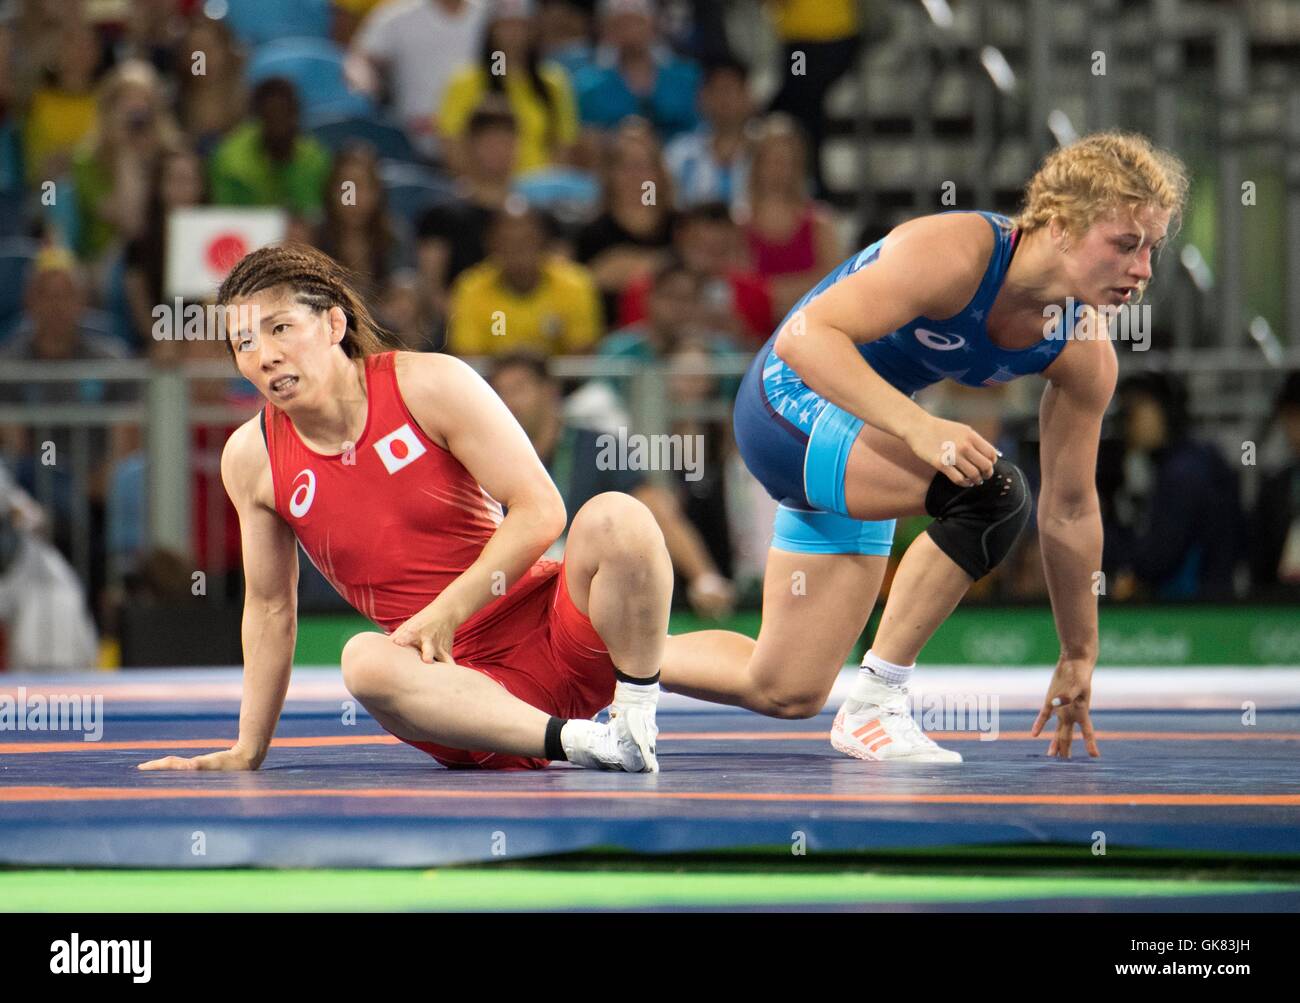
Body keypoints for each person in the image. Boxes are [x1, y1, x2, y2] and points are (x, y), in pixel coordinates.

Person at [658, 131, 1189, 761]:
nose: (1144, 270)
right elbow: (804, 337)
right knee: (990, 494)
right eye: (1126, 245)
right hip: (786, 404)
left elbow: (1071, 509)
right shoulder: (956, 251)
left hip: (860, 435)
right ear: (1061, 226)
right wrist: (918, 428)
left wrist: (1079, 653)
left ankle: (581, 644)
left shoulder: (1084, 351)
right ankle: (878, 703)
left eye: (1152, 248)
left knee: (784, 687)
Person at [139, 243, 666, 774]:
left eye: (280, 329)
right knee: (364, 661)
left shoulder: (428, 382)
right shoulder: (252, 457)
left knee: (618, 517)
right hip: (455, 687)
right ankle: (586, 742)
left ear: (333, 325)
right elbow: (271, 608)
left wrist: (446, 611)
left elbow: (541, 511)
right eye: (244, 343)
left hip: (556, 628)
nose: (265, 355)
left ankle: (635, 720)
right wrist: (247, 750)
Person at [489, 350, 735, 618]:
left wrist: (704, 578)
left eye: (519, 388)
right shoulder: (490, 457)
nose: (508, 401)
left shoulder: (599, 447)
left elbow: (655, 509)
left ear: (550, 391)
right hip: (518, 597)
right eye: (500, 392)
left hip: (592, 598)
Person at [1102, 371, 1242, 600]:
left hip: (1193, 609)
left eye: (1134, 412)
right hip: (1207, 604)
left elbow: (1156, 559)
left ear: (1163, 411)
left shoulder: (1185, 472)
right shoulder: (1190, 462)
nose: (1128, 424)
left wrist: (1099, 534)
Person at [438, 0, 579, 176]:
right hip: (485, 188)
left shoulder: (552, 81)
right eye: (505, 26)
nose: (513, 34)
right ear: (491, 31)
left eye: (520, 26)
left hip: (539, 190)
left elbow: (563, 142)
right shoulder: (467, 81)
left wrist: (544, 186)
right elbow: (451, 140)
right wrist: (483, 188)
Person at [447, 200, 601, 357]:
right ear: (490, 244)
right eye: (508, 242)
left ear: (544, 241)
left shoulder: (575, 283)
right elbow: (467, 354)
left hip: (560, 381)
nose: (518, 251)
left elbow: (583, 353)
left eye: (526, 240)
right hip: (489, 381)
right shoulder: (470, 287)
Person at [208, 77, 332, 215]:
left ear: (296, 116)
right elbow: (223, 217)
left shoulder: (315, 160)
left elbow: (314, 215)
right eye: (271, 116)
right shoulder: (230, 161)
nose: (279, 125)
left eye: (285, 114)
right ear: (257, 118)